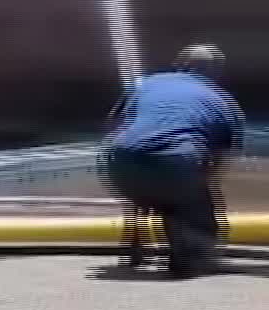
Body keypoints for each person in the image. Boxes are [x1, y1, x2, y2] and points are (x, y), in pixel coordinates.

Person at [101, 43, 246, 277]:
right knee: (194, 201)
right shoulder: (224, 103)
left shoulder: (145, 83)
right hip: (175, 163)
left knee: (158, 182)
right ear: (218, 73)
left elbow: (114, 127)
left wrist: (139, 190)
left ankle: (141, 229)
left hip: (119, 163)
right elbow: (221, 162)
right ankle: (190, 257)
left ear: (179, 65)